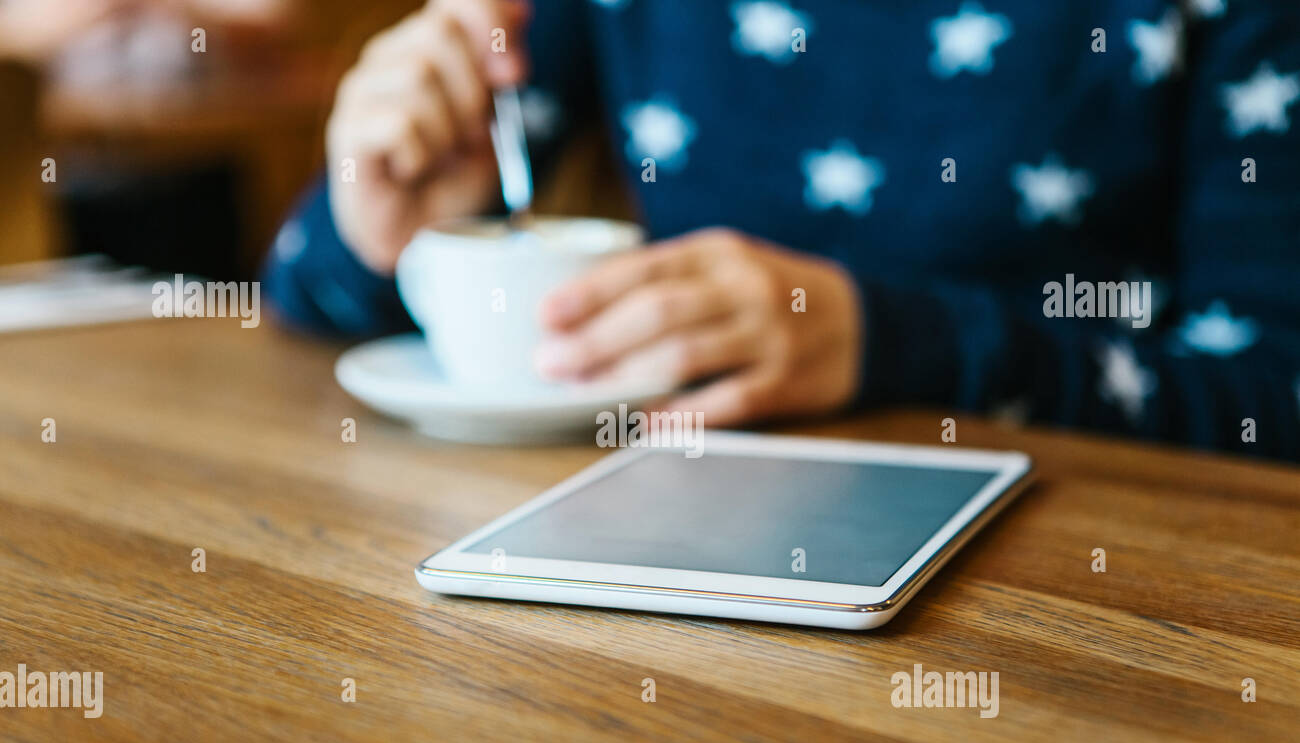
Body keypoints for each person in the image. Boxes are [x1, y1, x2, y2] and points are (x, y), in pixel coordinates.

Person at [262, 0, 1300, 460]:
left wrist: (891, 341)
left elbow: (1272, 393)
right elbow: (304, 286)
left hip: (1100, 612)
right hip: (668, 557)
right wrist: (387, 224)